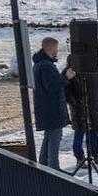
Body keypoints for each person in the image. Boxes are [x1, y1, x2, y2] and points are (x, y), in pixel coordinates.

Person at [31, 36, 70, 171]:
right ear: (51, 48)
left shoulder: (39, 64)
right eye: (56, 48)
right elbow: (52, 87)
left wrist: (63, 76)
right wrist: (66, 77)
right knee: (54, 138)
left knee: (48, 137)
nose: (57, 51)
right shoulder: (46, 66)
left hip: (45, 109)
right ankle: (54, 168)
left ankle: (43, 166)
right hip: (52, 109)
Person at [65, 51, 98, 170]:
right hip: (78, 109)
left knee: (94, 132)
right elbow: (67, 91)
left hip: (94, 107)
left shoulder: (93, 71)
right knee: (79, 133)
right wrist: (75, 103)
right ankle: (80, 158)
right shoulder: (69, 72)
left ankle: (95, 155)